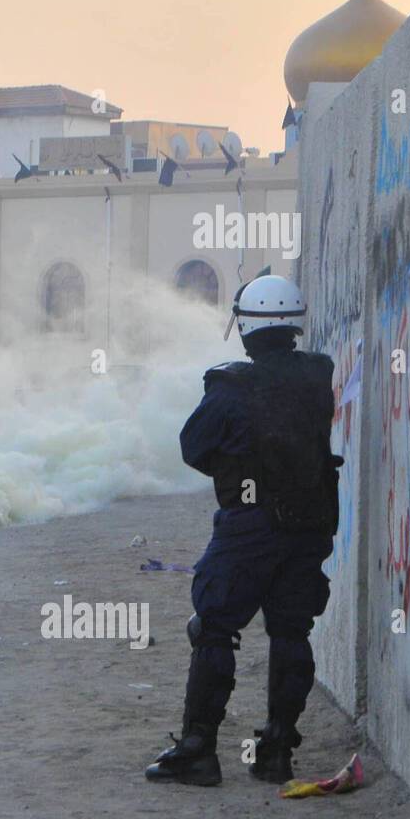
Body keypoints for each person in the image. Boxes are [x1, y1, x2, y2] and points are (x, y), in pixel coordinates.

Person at [145, 273, 343, 787]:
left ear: (246, 328)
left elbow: (194, 448)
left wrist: (242, 473)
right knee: (291, 631)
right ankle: (276, 751)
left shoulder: (232, 387)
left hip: (251, 526)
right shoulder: (318, 376)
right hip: (311, 521)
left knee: (211, 627)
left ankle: (197, 750)